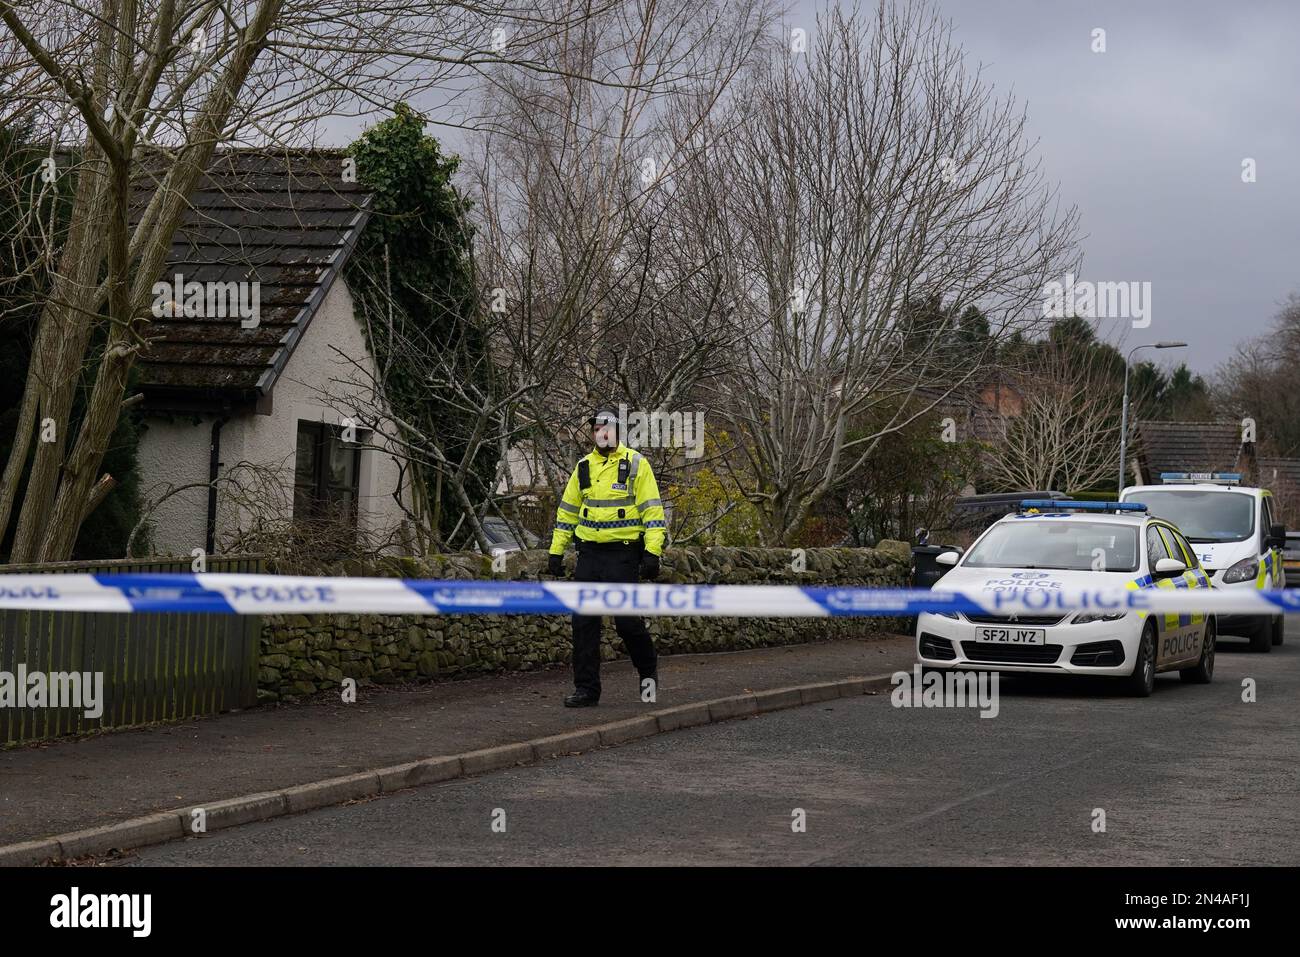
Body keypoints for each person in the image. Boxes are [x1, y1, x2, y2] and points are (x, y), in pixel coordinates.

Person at [547, 410, 666, 707]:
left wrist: (652, 551)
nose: (601, 433)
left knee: (626, 622)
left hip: (623, 554)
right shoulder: (584, 467)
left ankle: (648, 670)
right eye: (596, 429)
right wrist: (555, 551)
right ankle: (586, 690)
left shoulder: (636, 463)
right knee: (584, 623)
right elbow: (567, 514)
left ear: (617, 432)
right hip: (589, 554)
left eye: (607, 428)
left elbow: (652, 512)